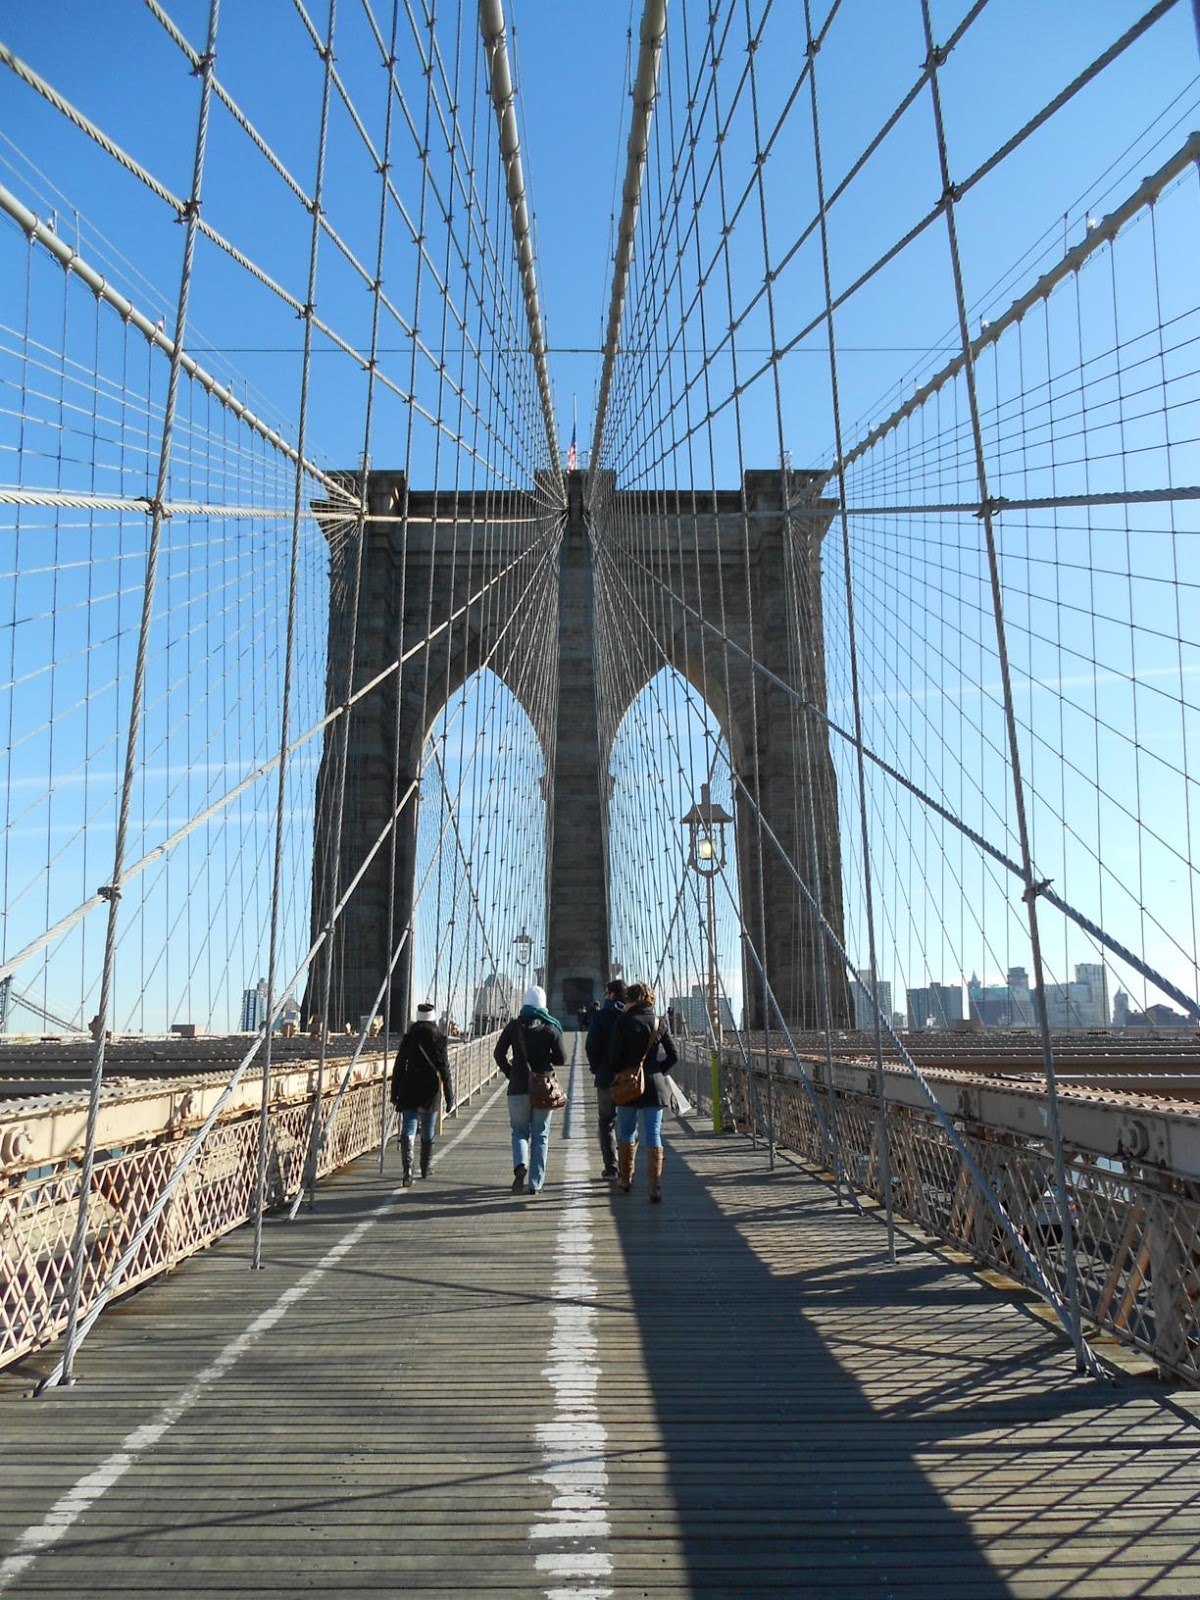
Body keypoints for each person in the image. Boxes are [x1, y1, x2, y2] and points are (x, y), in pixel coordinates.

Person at [493, 984, 566, 1195]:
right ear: (544, 1004)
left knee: (519, 1131)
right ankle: (536, 1184)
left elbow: (499, 1054)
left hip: (517, 1087)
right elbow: (561, 1058)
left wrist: (510, 1072)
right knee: (540, 1134)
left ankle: (521, 1165)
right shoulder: (551, 1027)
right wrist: (544, 1059)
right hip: (543, 1087)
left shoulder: (514, 1026)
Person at [609, 981, 677, 1203]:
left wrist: (623, 1074)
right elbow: (673, 1055)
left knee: (627, 1131)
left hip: (629, 1084)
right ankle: (655, 1187)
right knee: (653, 1134)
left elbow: (615, 1057)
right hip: (654, 1087)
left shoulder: (623, 1021)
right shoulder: (660, 1022)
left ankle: (626, 1179)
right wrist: (656, 1072)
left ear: (631, 999)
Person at [390, 1001, 455, 1187]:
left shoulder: (409, 1038)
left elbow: (399, 1066)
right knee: (427, 1130)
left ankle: (407, 1171)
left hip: (410, 1088)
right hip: (431, 1091)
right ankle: (425, 1168)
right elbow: (445, 1070)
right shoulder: (439, 1039)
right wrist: (450, 1096)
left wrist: (394, 1094)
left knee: (408, 1128)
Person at [585, 978, 626, 1179]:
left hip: (606, 1078)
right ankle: (628, 1168)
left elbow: (591, 1047)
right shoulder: (632, 1016)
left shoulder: (600, 1018)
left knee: (606, 1123)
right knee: (628, 1122)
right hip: (630, 1080)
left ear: (610, 994)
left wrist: (596, 1068)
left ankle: (611, 1168)